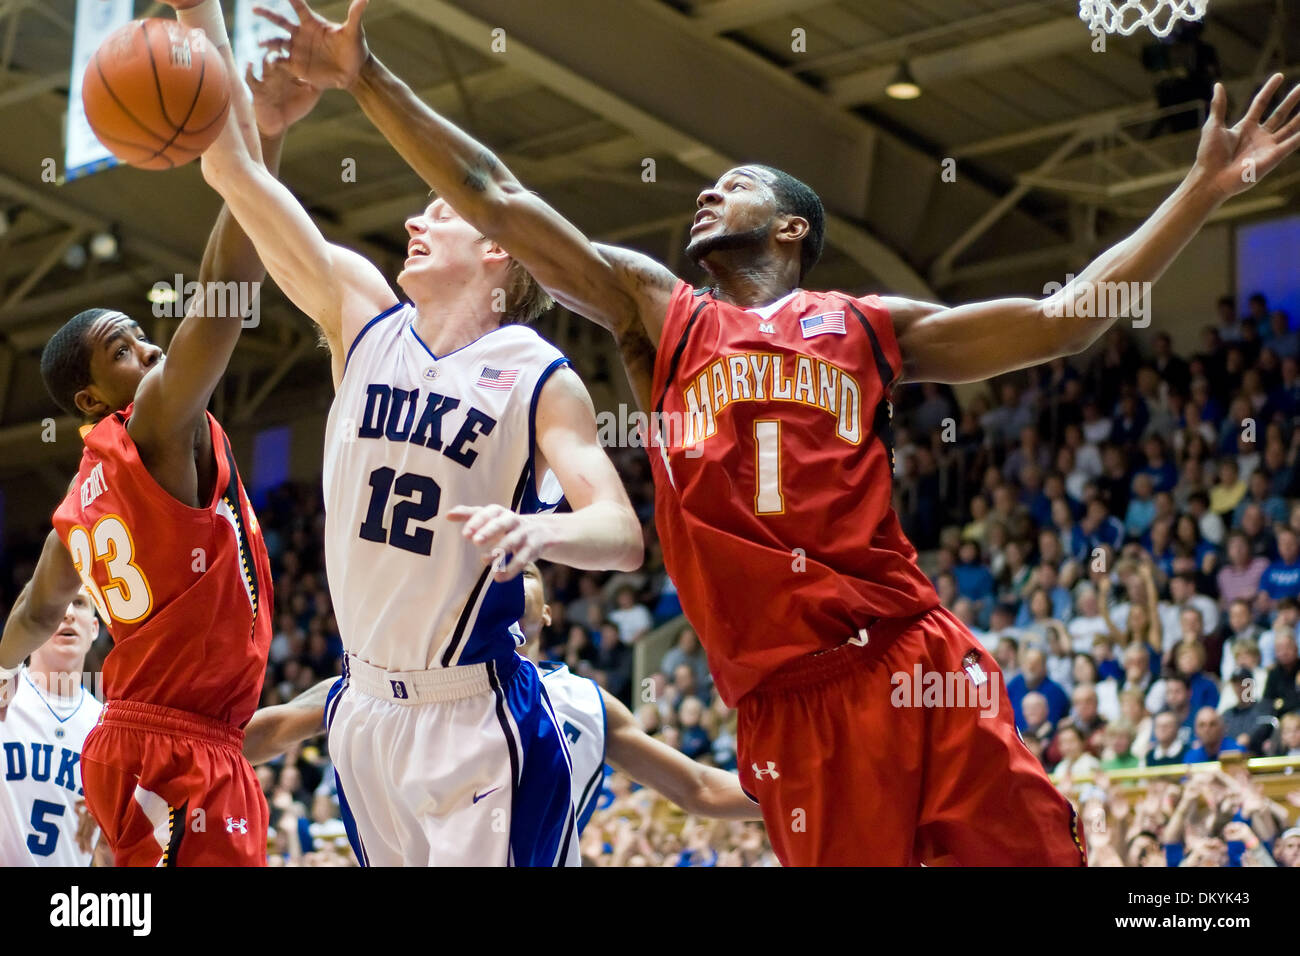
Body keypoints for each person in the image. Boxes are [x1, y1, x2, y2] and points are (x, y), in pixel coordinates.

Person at [264, 0, 1300, 866]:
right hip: (788, 702)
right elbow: (496, 193)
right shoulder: (657, 314)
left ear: (792, 227)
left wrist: (1200, 190)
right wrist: (368, 79)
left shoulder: (867, 326)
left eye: (738, 183)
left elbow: (1065, 317)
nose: (708, 190)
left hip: (911, 653)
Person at [185, 0, 643, 866]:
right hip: (362, 711)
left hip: (476, 718)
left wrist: (541, 527)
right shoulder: (359, 313)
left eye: (438, 212)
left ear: (500, 249)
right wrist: (197, 16)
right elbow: (233, 175)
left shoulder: (541, 375)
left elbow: (620, 536)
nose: (413, 223)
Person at [0, 11, 288, 865]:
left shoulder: (74, 504)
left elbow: (32, 612)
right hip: (181, 748)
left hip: (130, 739)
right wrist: (256, 140)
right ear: (93, 395)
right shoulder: (157, 419)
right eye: (124, 349)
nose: (153, 350)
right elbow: (229, 283)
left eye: (143, 336)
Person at [241, 563, 760, 845]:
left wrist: (809, 797)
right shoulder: (399, 681)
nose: (511, 573)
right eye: (500, 569)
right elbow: (273, 729)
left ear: (549, 614)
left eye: (527, 570)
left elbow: (699, 789)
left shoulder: (585, 701)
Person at [0, 592, 106, 866]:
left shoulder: (107, 728)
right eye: (58, 601)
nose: (68, 612)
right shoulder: (4, 696)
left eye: (80, 603)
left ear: (94, 628)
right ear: (34, 621)